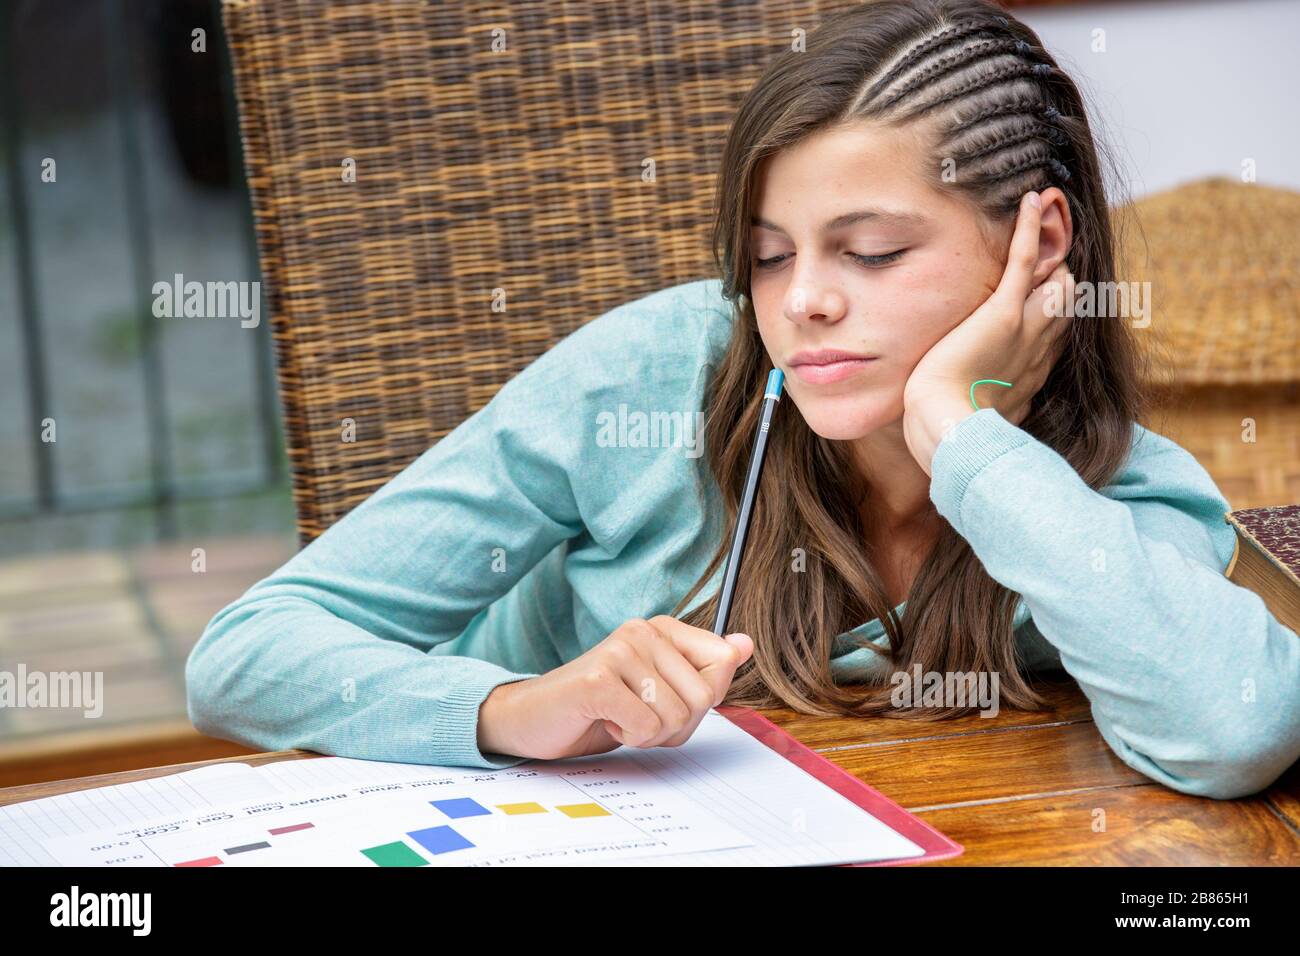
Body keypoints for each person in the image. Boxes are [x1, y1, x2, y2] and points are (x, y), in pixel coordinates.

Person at [187, 0, 1300, 799]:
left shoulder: (1102, 489)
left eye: (869, 251)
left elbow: (1235, 725)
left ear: (1038, 242)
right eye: (769, 257)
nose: (804, 300)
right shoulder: (641, 379)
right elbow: (247, 651)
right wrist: (515, 706)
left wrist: (963, 431)